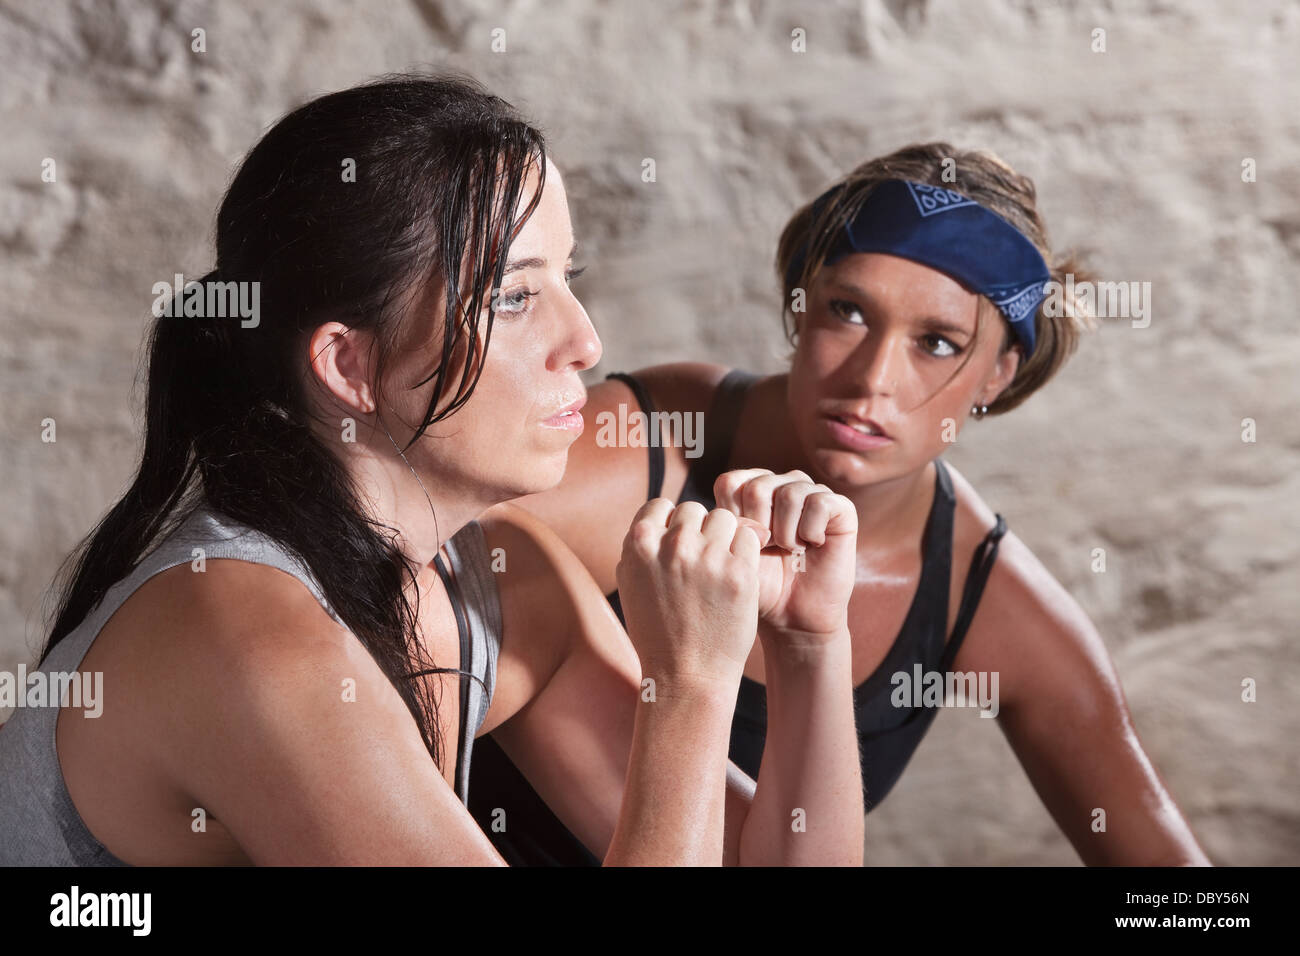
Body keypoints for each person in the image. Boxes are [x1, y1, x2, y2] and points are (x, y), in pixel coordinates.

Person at [0, 74, 865, 866]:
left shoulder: (500, 581)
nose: (587, 342)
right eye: (512, 296)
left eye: (569, 277)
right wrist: (687, 685)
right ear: (350, 369)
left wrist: (808, 645)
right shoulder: (248, 638)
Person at [472, 142, 1212, 866]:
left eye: (939, 342)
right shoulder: (644, 451)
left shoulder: (983, 595)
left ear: (998, 375)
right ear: (801, 304)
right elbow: (377, 565)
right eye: (849, 311)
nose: (874, 379)